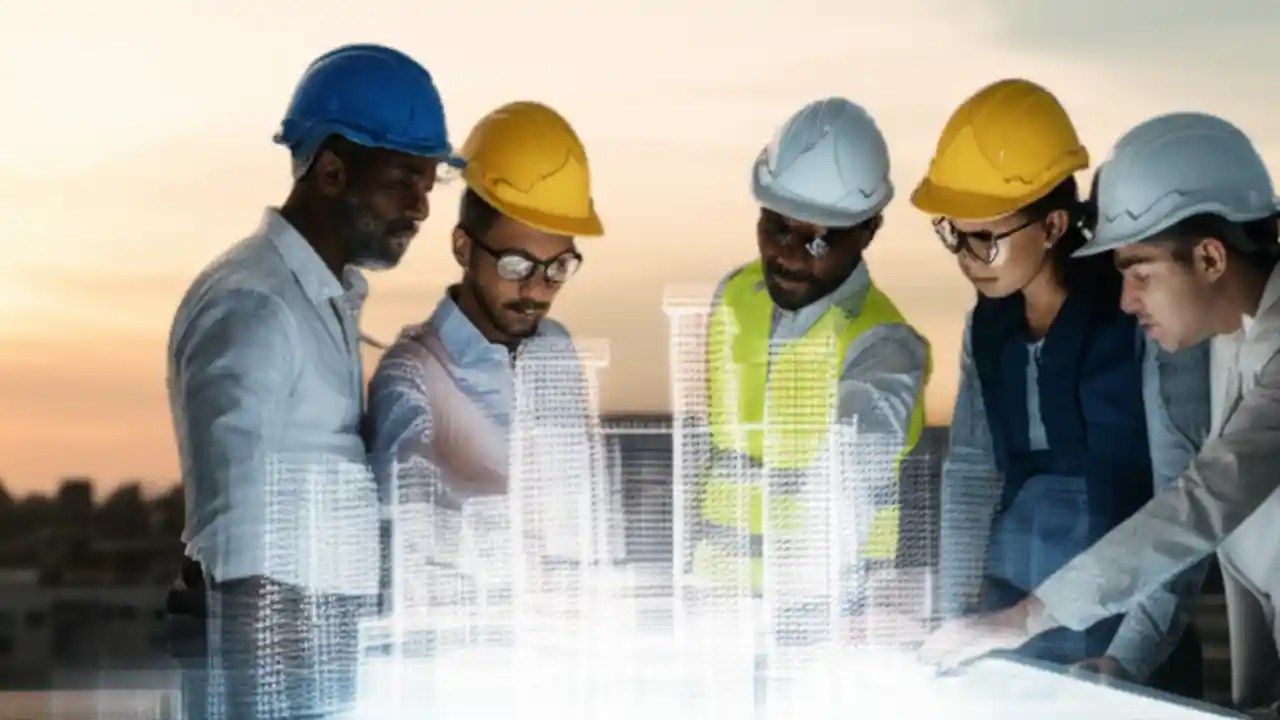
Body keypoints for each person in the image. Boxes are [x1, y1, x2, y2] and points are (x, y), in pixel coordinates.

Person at [919, 111, 1280, 717]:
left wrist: (1028, 618)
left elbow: (1200, 502)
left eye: (1139, 273)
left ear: (1211, 259)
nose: (1126, 300)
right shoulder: (1227, 338)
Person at [164, 44, 456, 719]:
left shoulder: (314, 300)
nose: (421, 207)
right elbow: (240, 535)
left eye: (428, 183)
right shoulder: (255, 306)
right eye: (403, 180)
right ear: (331, 172)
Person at [692, 97, 932, 637]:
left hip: (827, 628)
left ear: (868, 230)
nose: (790, 256)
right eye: (776, 227)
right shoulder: (733, 298)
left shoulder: (885, 346)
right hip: (717, 622)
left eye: (819, 240)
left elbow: (852, 477)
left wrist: (799, 611)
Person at [366, 100, 603, 564]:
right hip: (469, 609)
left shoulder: (556, 350)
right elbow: (399, 536)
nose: (536, 289)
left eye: (558, 267)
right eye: (516, 264)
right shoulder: (412, 377)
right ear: (463, 248)